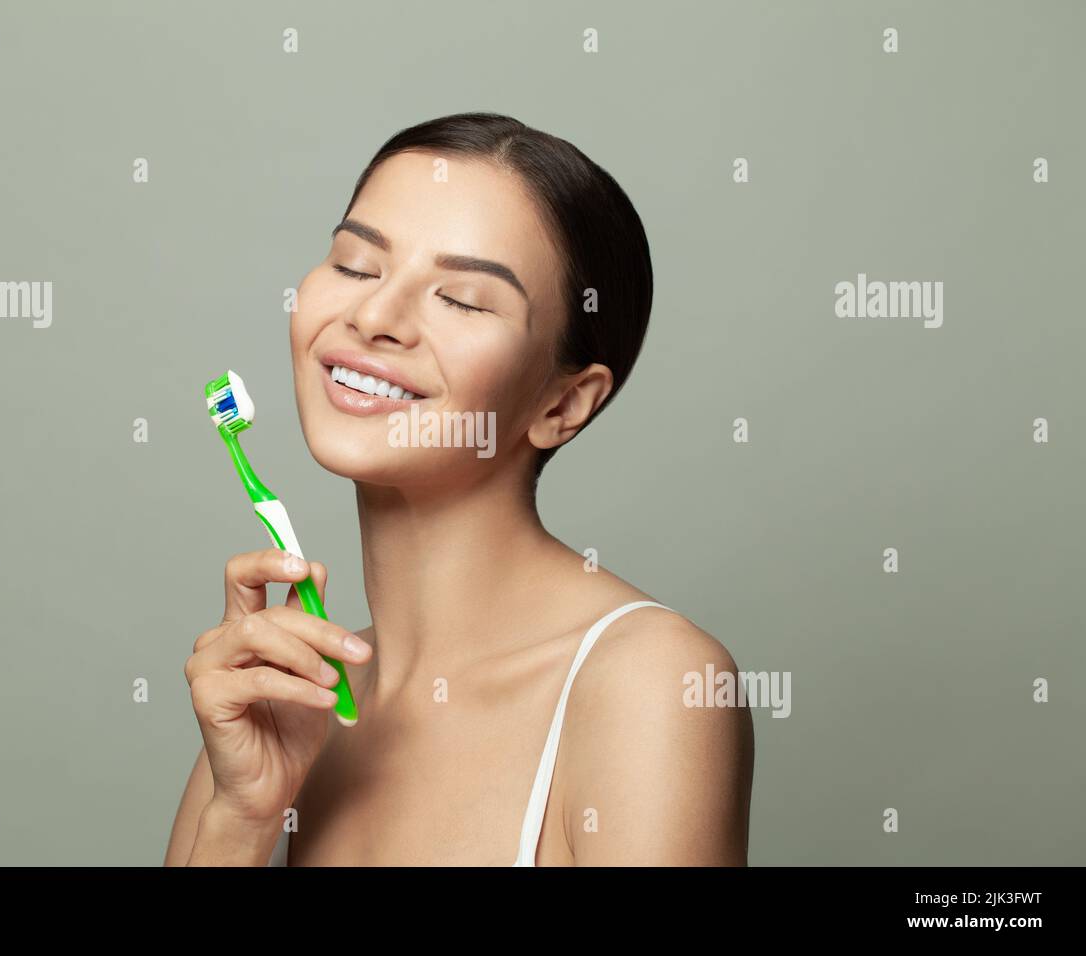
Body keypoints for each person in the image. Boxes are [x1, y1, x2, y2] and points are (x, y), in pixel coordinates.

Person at [166, 112, 754, 866]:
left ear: (562, 404)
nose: (373, 316)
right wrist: (242, 818)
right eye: (355, 264)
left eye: (464, 299)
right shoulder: (277, 703)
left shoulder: (649, 685)